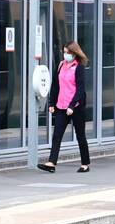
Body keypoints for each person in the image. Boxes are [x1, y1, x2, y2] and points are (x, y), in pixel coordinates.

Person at [38, 40, 91, 173]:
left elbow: (80, 90)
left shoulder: (78, 67)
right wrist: (51, 103)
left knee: (80, 136)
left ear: (74, 53)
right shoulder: (61, 65)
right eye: (64, 52)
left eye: (67, 53)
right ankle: (51, 163)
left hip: (76, 107)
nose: (65, 55)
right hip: (61, 105)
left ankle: (85, 163)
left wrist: (72, 106)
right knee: (57, 135)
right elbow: (55, 85)